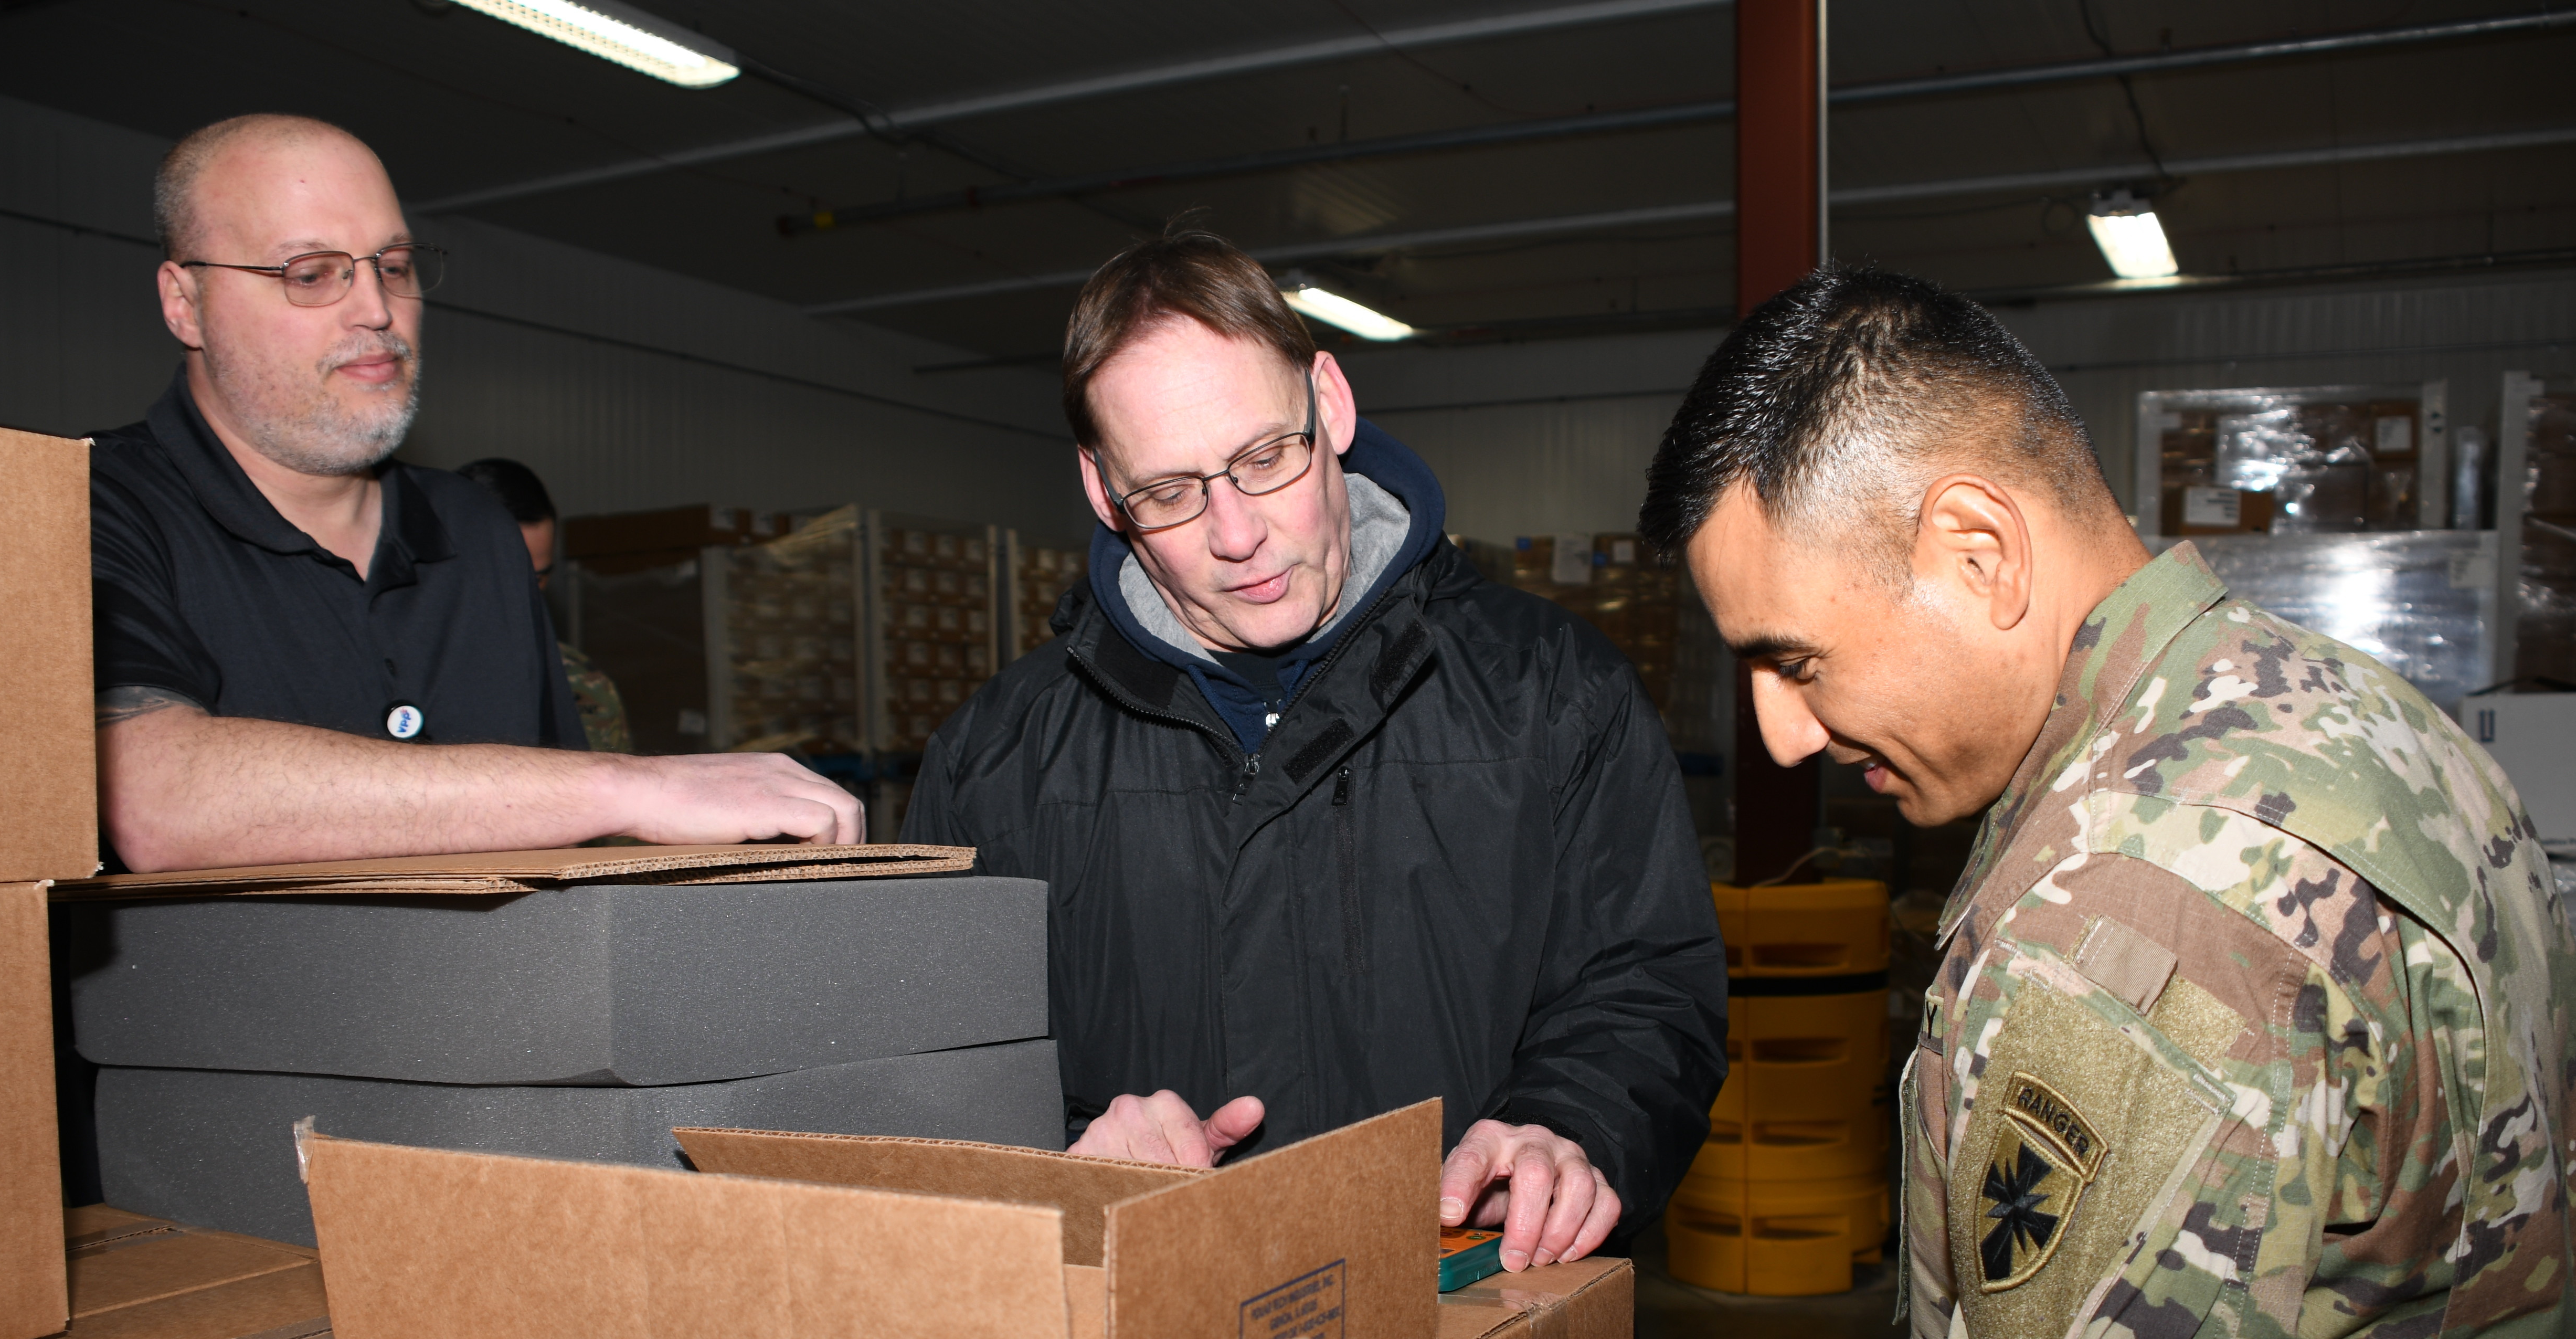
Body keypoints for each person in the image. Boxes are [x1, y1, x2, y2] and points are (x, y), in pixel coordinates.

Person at [1640, 263, 2576, 1339]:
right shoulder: (2365, 729)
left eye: (1792, 659)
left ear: (1973, 551)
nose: (1771, 736)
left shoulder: (2131, 913)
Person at [905, 233, 1724, 1267]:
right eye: (1167, 492)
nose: (1236, 533)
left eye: (1264, 458)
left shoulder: (1552, 693)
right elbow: (927, 1072)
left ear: (1329, 405)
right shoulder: (997, 759)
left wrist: (1571, 1129)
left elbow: (1644, 983)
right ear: (1103, 490)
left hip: (1468, 1318)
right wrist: (1060, 1154)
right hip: (1145, 1333)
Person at [91, 114, 857, 871]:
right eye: (311, 274)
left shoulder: (474, 530)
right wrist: (635, 786)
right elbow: (156, 803)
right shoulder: (89, 506)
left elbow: (559, 835)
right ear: (184, 303)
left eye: (393, 266)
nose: (377, 311)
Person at [453, 456, 634, 754]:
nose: (527, 598)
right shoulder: (397, 671)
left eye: (538, 579)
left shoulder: (581, 683)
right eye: (507, 577)